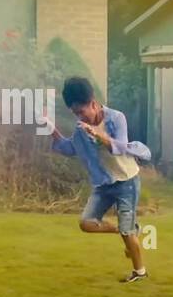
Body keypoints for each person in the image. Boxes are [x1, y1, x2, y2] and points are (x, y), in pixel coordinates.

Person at [47, 77, 152, 283]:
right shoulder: (81, 129)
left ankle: (139, 272)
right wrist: (51, 129)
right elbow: (69, 148)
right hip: (103, 184)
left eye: (81, 112)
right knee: (86, 223)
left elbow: (120, 147)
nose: (80, 117)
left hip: (126, 182)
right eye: (75, 113)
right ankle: (128, 228)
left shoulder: (116, 118)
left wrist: (98, 134)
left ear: (93, 104)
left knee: (127, 232)